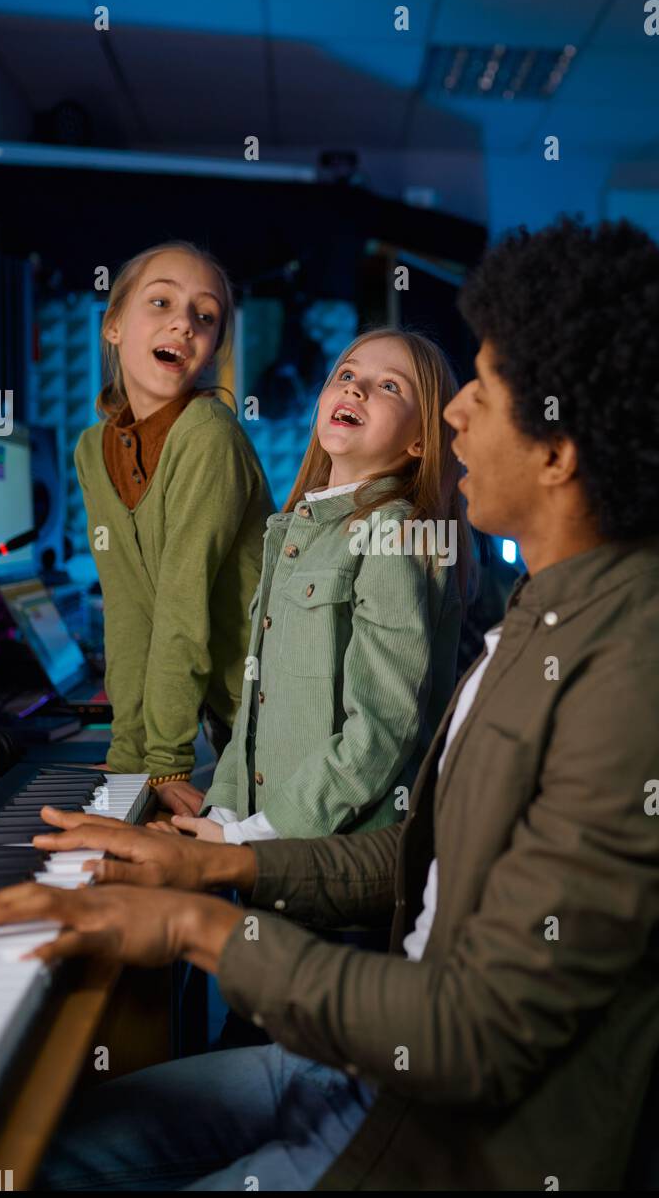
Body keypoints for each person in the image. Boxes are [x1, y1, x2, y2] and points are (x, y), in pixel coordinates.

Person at [0, 216, 659, 1191]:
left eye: (482, 387)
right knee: (19, 1155)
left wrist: (195, 926)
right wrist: (223, 862)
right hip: (363, 1073)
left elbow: (473, 1034)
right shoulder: (541, 623)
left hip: (436, 1147)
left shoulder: (650, 688)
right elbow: (415, 859)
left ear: (558, 450)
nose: (457, 415)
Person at [150, 328, 470, 847]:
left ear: (420, 440)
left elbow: (382, 729)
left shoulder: (394, 536)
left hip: (335, 855)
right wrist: (225, 811)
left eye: (390, 386)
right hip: (264, 843)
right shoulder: (290, 531)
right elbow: (255, 706)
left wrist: (255, 836)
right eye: (346, 375)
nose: (356, 389)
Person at [74, 241, 274, 813]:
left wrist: (163, 764)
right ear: (113, 326)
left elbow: (181, 603)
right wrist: (126, 756)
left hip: (276, 720)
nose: (184, 323)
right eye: (161, 303)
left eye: (204, 316)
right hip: (225, 728)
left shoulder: (207, 434)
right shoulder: (93, 450)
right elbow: (130, 608)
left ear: (211, 349)